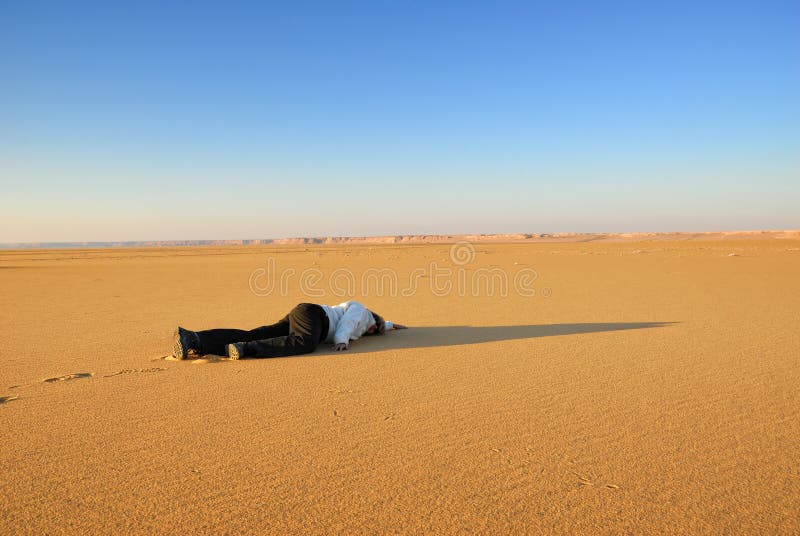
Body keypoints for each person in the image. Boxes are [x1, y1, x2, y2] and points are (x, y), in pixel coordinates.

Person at [172, 300, 407, 360]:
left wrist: (390, 325)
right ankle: (245, 350)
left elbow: (377, 325)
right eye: (374, 329)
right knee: (304, 343)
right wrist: (343, 340)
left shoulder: (371, 323)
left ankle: (194, 339)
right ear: (373, 320)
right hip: (315, 316)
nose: (370, 333)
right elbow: (349, 323)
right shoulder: (362, 311)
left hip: (305, 314)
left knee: (257, 333)